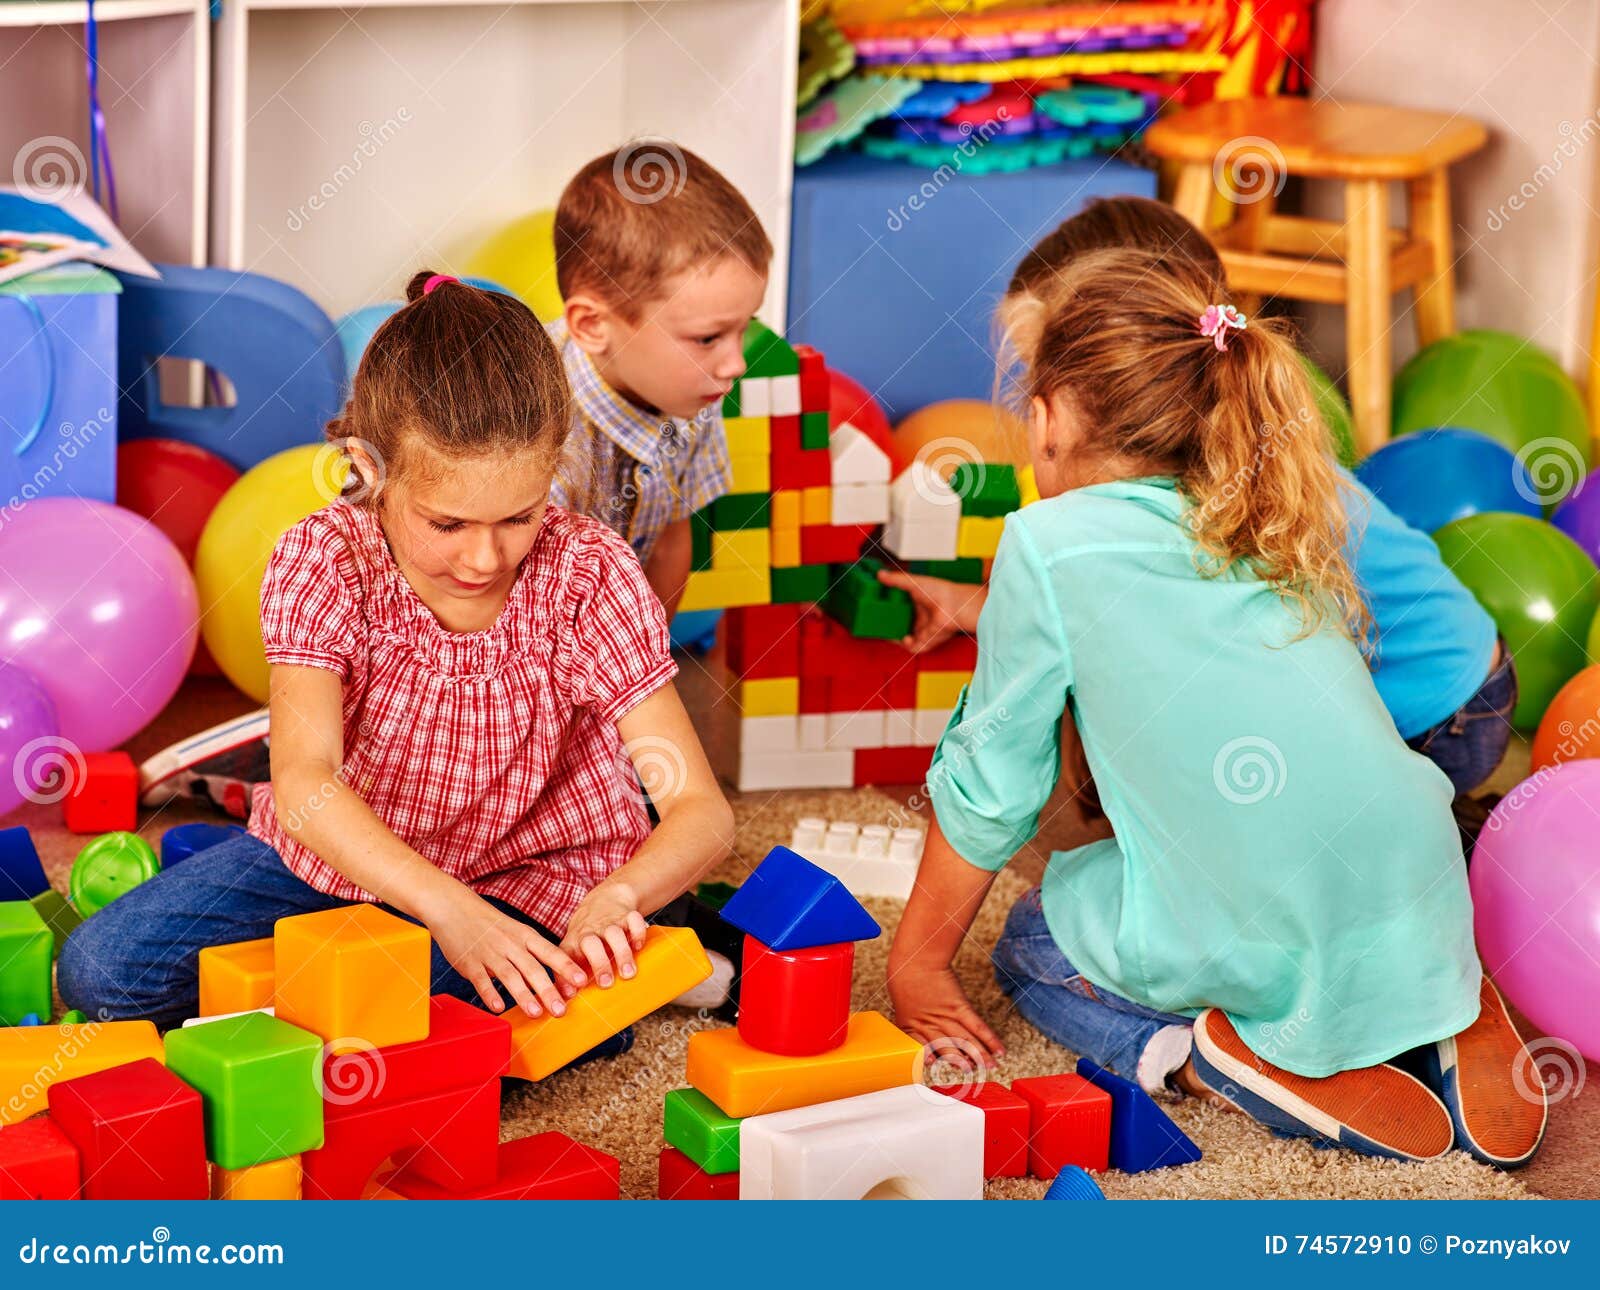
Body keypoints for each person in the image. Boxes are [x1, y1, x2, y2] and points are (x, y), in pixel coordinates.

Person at [886, 246, 1546, 1169]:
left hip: (1267, 920)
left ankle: (1210, 1059)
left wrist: (917, 959)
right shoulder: (1276, 501)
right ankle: (1448, 1002)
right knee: (1284, 870)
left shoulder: (1045, 542)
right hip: (1419, 871)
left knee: (1034, 942)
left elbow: (992, 781)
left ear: (1045, 421)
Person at [60, 271, 737, 1049]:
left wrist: (621, 896)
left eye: (518, 516)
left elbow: (699, 811)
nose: (484, 557)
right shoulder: (322, 558)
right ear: (371, 469)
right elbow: (304, 780)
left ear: (554, 465)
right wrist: (446, 909)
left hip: (531, 874)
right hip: (351, 857)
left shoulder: (589, 569)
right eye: (447, 523)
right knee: (104, 976)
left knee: (484, 1020)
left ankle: (643, 961)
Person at [548, 145, 772, 615]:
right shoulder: (534, 427)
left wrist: (651, 659)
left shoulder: (694, 393)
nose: (736, 364)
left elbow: (672, 540)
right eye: (709, 338)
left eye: (743, 327)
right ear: (593, 326)